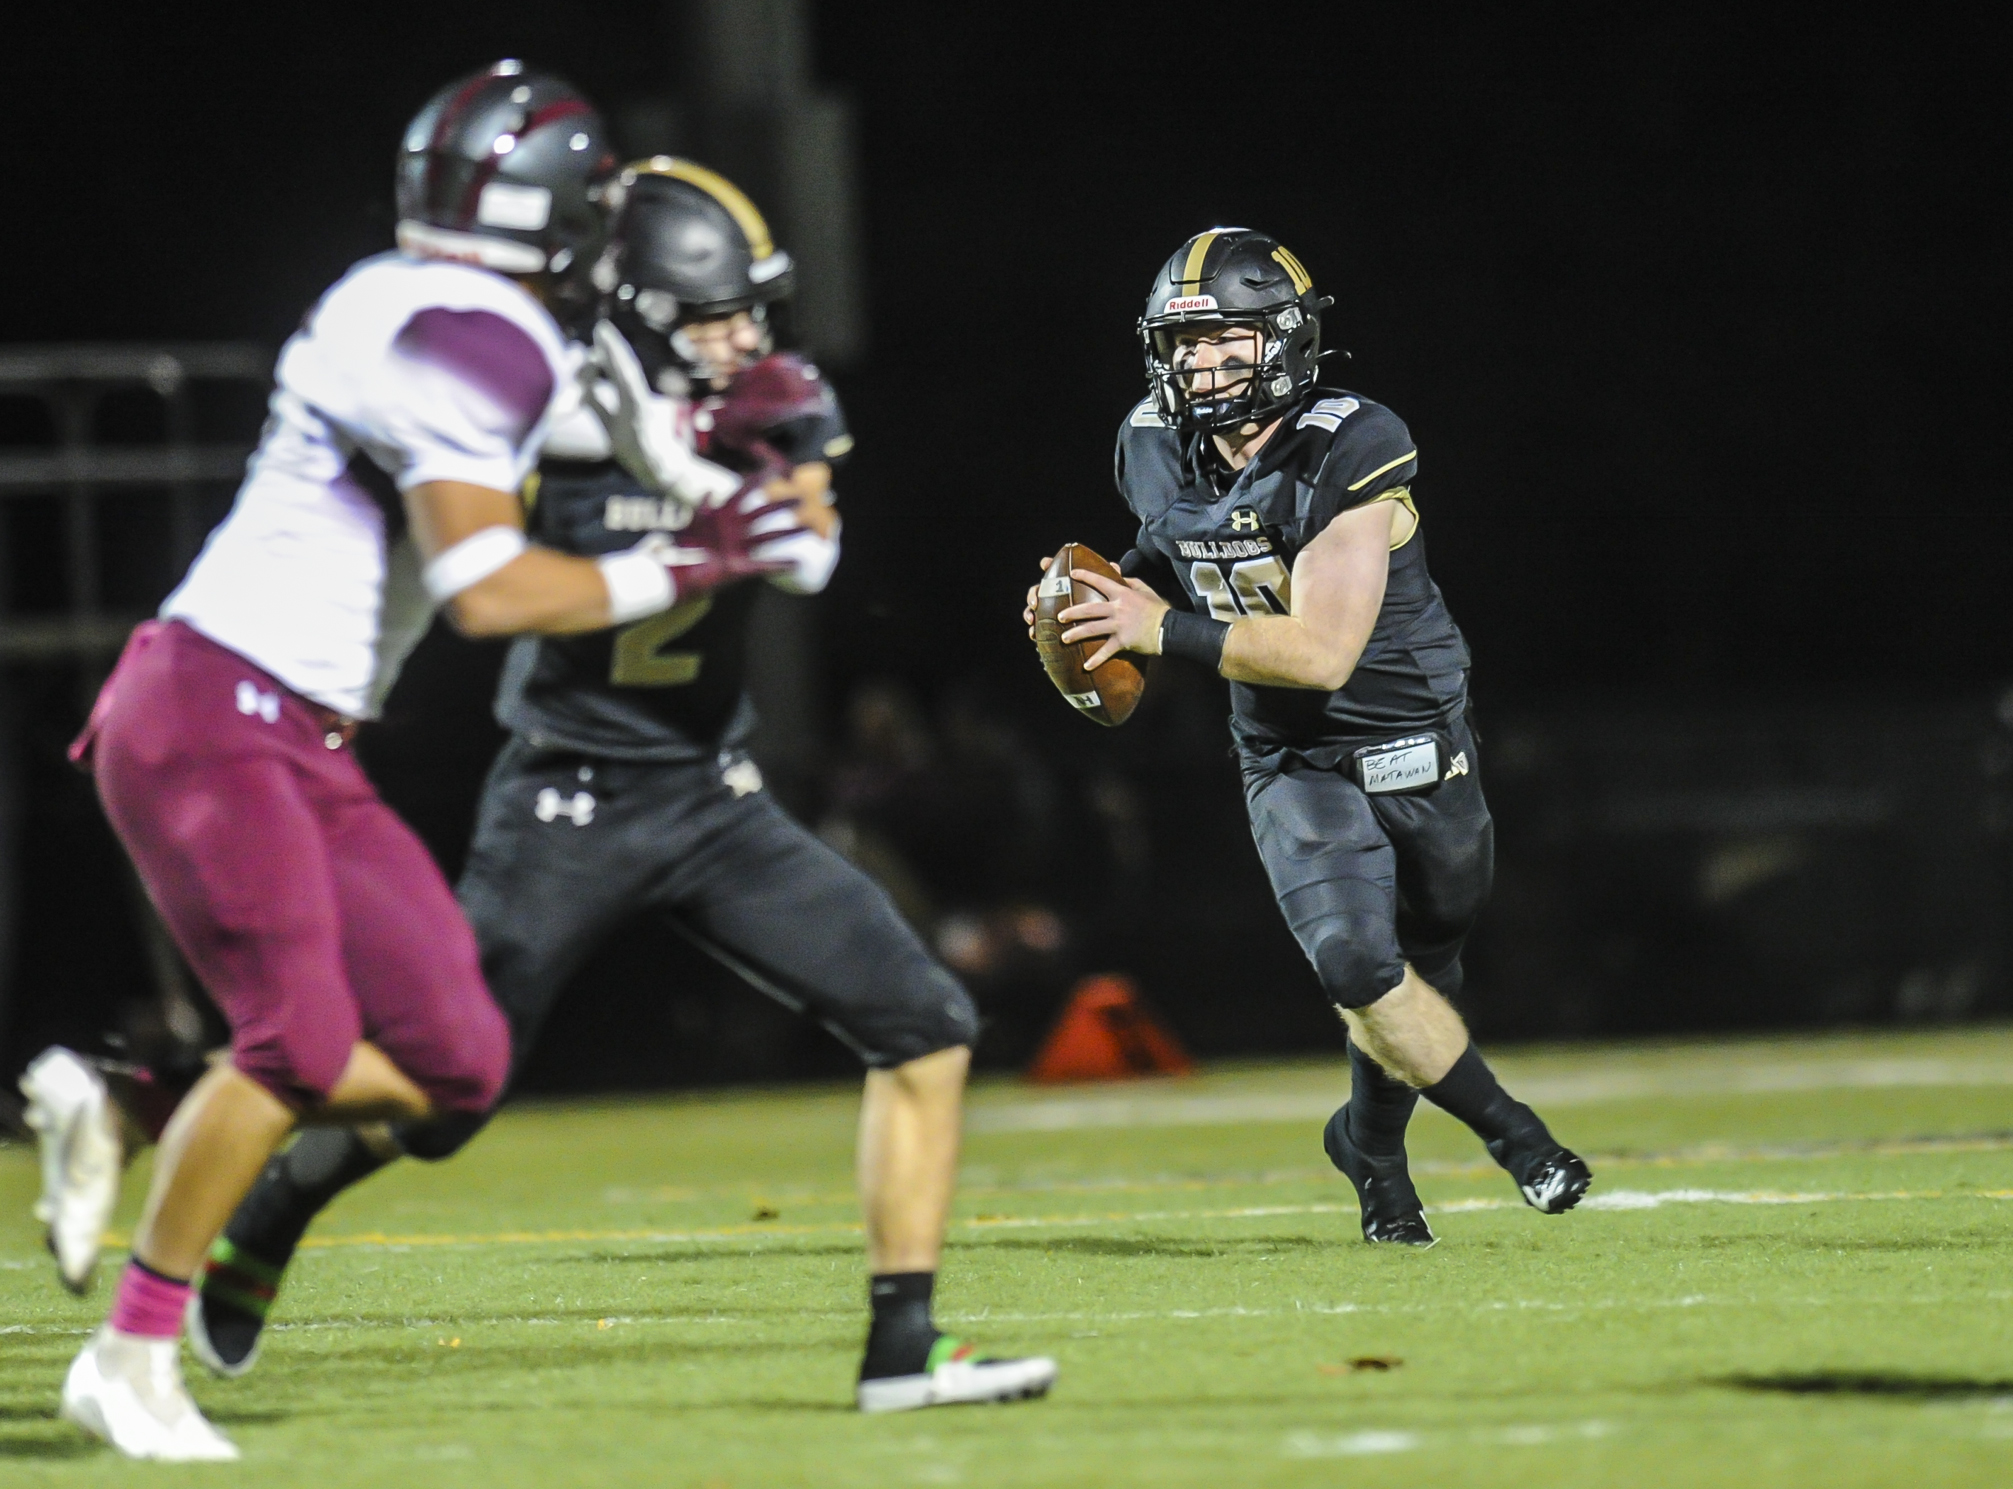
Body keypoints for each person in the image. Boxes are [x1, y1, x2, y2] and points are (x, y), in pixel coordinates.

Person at [178, 158, 1056, 1415]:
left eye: (754, 311)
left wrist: (734, 455)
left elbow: (807, 561)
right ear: (636, 310)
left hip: (711, 795)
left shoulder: (756, 404)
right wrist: (678, 464)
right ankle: (270, 1213)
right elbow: (503, 530)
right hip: (567, 801)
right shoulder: (543, 410)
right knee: (439, 1095)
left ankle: (900, 1351)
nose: (745, 339)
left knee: (926, 1022)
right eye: (714, 316)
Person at [55, 64, 796, 1461]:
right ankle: (132, 1351)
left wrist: (731, 465)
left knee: (455, 1058)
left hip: (305, 733)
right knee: (297, 1044)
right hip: (219, 705)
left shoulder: (436, 306)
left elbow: (619, 422)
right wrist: (699, 553)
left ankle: (129, 1097)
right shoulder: (478, 336)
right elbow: (492, 594)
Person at [1027, 228, 1592, 1247]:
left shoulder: (1352, 440)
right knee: (1352, 960)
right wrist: (1092, 597)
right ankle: (1521, 1141)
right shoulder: (1148, 441)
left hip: (1420, 738)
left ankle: (1371, 1150)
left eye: (1227, 341)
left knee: (1427, 963)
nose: (1201, 365)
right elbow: (1171, 551)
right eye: (1185, 344)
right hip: (1292, 758)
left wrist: (1155, 628)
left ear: (1285, 341)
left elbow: (1325, 652)